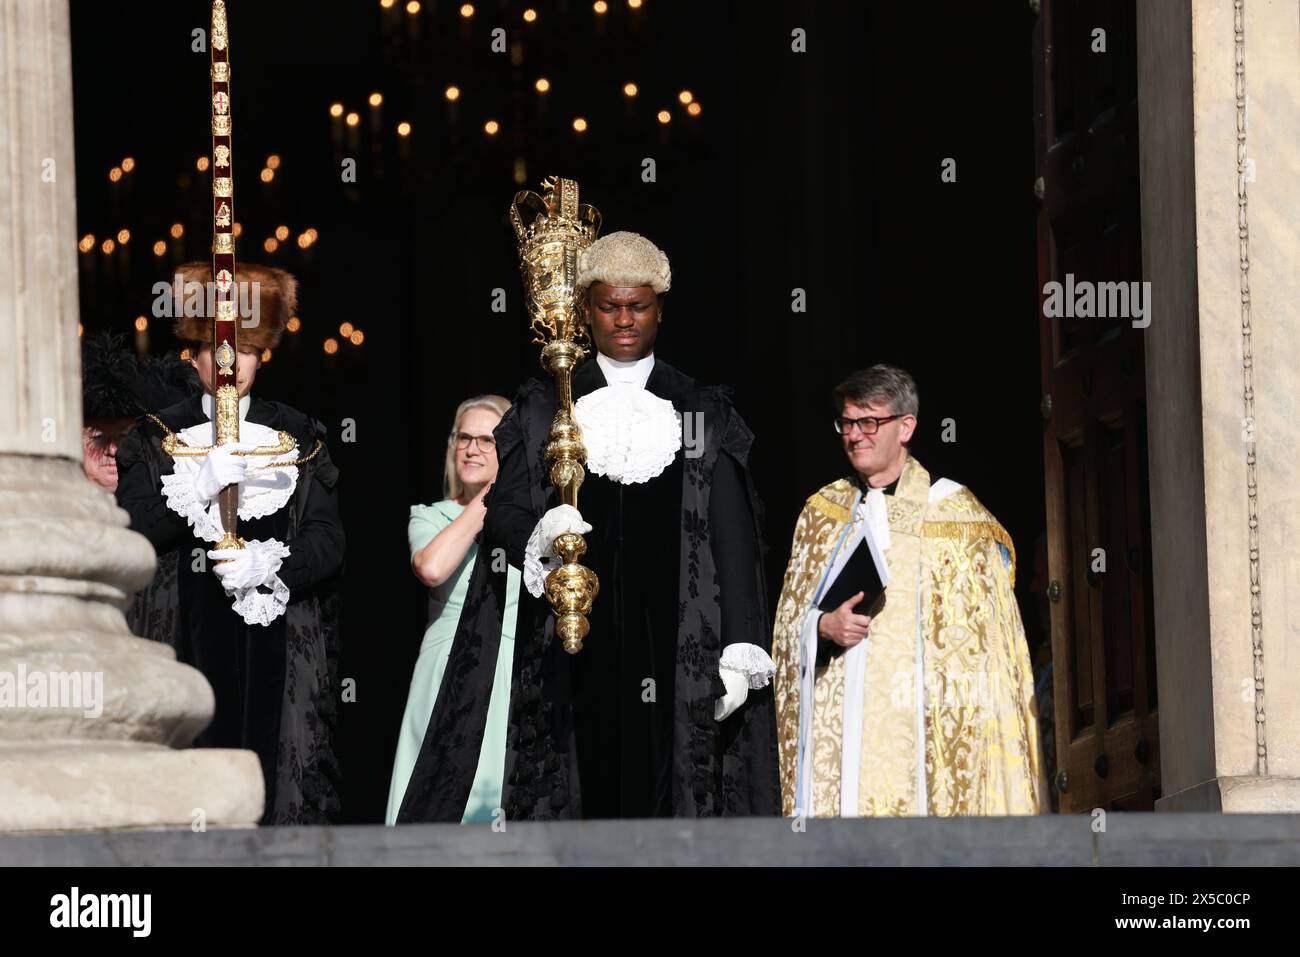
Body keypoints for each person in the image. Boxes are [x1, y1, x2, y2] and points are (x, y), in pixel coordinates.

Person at [398, 231, 780, 821]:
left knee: (674, 800)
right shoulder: (541, 404)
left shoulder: (702, 409)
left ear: (659, 308)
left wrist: (740, 642)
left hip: (679, 642)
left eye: (638, 305)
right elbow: (500, 510)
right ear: (585, 311)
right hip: (565, 645)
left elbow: (734, 533)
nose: (624, 319)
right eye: (609, 306)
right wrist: (539, 536)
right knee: (574, 798)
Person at [115, 263, 345, 825]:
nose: (228, 363)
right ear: (191, 358)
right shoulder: (153, 435)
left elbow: (328, 540)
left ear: (261, 357)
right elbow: (134, 530)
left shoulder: (299, 436)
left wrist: (272, 567)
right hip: (181, 634)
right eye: (216, 349)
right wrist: (195, 486)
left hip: (279, 638)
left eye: (242, 350)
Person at [771, 364, 1045, 817]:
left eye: (869, 422)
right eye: (847, 423)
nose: (854, 435)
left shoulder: (956, 519)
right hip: (837, 739)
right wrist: (821, 626)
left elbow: (990, 646)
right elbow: (785, 624)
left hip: (921, 733)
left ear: (906, 426)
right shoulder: (822, 514)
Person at [385, 394, 519, 825]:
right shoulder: (430, 516)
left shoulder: (530, 522)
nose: (472, 448)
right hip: (447, 670)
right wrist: (493, 496)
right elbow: (433, 567)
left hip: (510, 672)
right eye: (464, 438)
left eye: (487, 439)